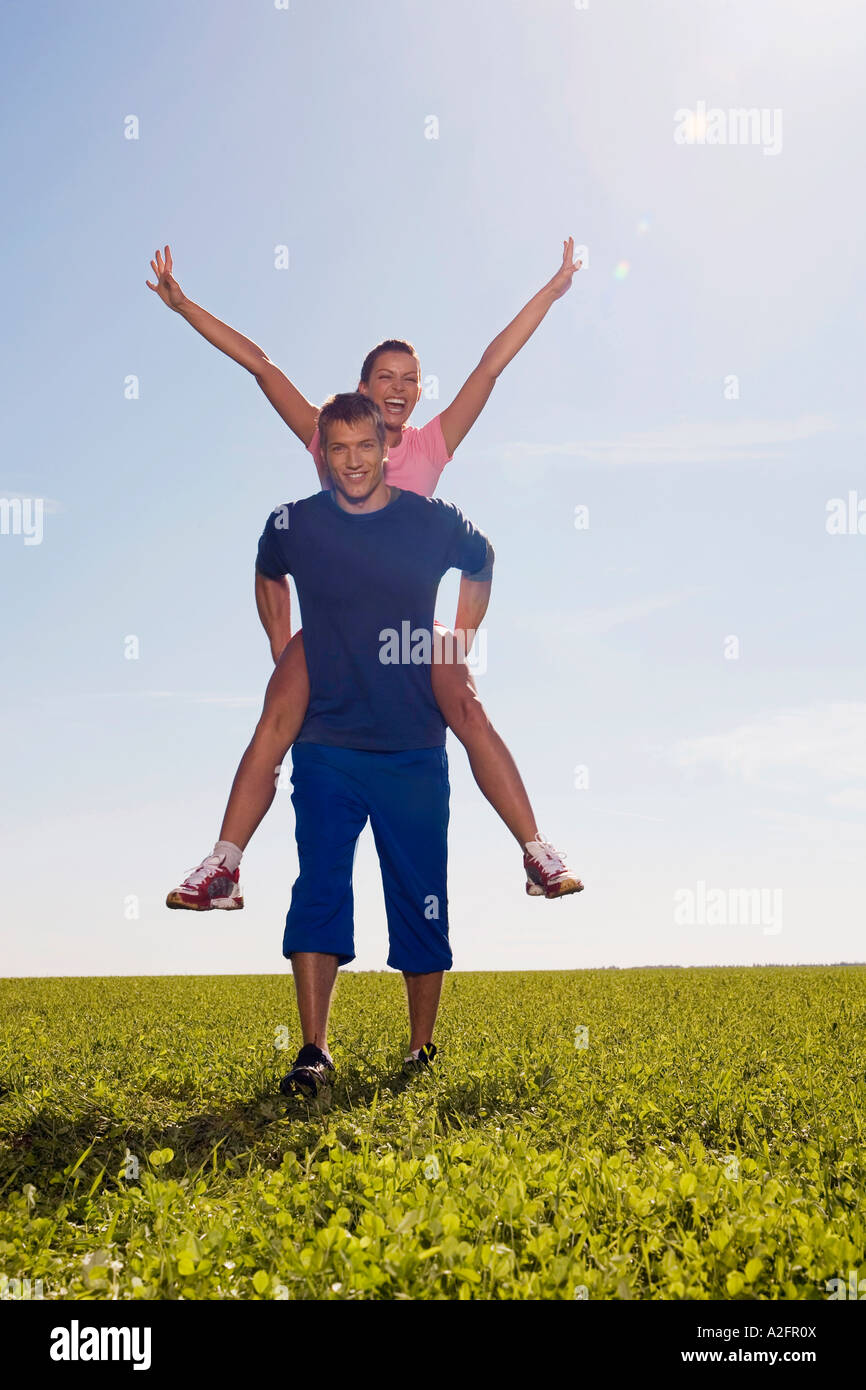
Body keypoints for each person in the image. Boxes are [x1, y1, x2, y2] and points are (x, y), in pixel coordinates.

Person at [149, 241, 583, 903]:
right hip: (333, 626)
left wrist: (550, 294)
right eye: (387, 376)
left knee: (466, 706)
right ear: (363, 389)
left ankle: (536, 851)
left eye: (411, 379)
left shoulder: (433, 444)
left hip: (410, 625)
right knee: (276, 721)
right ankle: (224, 865)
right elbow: (262, 368)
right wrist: (184, 307)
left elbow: (491, 366)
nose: (401, 388)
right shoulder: (329, 437)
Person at [228, 393, 580, 1093]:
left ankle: (421, 1049)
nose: (354, 462)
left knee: (421, 897)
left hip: (413, 747)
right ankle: (313, 1051)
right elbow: (267, 567)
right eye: (339, 450)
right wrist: (282, 645)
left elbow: (484, 561)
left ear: (389, 449)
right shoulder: (298, 524)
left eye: (366, 448)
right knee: (319, 890)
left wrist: (460, 636)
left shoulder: (431, 522)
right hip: (327, 741)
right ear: (322, 455)